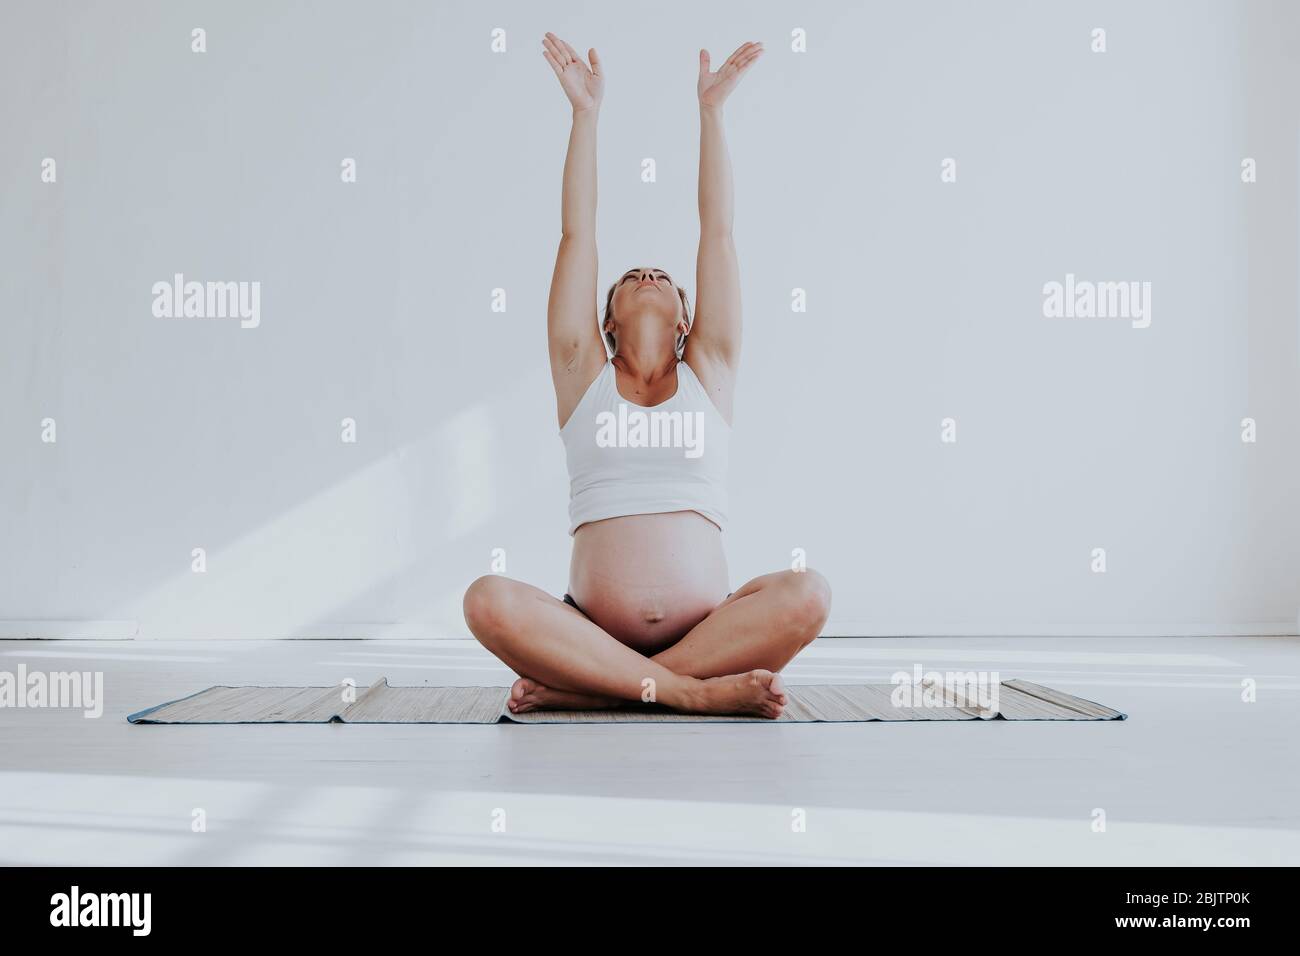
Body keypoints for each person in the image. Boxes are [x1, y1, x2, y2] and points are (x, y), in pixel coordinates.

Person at [463, 33, 831, 718]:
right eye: (632, 277)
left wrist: (712, 113)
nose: (649, 273)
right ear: (605, 325)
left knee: (809, 595)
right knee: (485, 600)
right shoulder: (583, 375)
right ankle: (688, 691)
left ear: (689, 321)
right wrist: (585, 116)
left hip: (708, 629)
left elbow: (716, 232)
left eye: (663, 277)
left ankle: (597, 686)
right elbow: (579, 233)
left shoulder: (710, 371)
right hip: (589, 626)